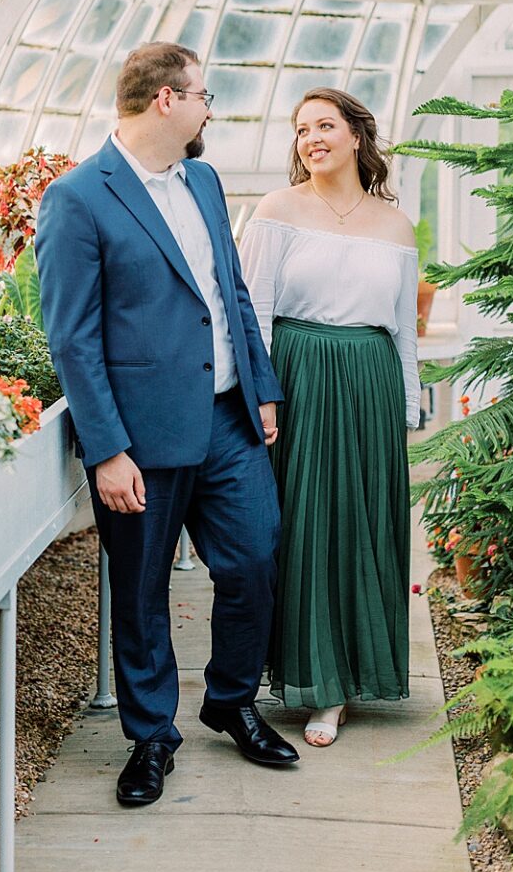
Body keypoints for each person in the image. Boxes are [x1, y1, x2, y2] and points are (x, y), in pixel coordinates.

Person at [38, 42, 300, 808]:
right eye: (203, 95)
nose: (209, 108)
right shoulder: (79, 198)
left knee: (254, 558)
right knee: (142, 591)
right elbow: (73, 338)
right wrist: (109, 450)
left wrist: (261, 386)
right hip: (141, 437)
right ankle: (152, 737)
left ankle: (230, 701)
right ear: (166, 101)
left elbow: (233, 292)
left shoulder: (206, 179)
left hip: (229, 418)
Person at [238, 87, 420, 748]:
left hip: (369, 382)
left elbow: (403, 328)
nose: (310, 136)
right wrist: (260, 395)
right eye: (300, 128)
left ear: (355, 136)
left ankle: (343, 686)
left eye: (324, 125)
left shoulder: (395, 225)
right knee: (305, 528)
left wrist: (405, 409)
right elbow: (252, 310)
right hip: (298, 376)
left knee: (360, 529)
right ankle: (308, 675)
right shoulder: (277, 211)